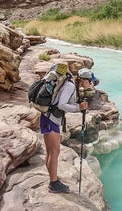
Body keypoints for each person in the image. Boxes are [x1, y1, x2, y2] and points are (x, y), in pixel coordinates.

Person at [41, 64, 88, 193]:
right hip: (51, 119)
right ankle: (53, 184)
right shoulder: (70, 85)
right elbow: (62, 105)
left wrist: (77, 105)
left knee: (51, 151)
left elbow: (64, 102)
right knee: (54, 152)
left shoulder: (70, 84)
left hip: (49, 118)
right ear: (84, 80)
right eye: (90, 82)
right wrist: (78, 108)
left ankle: (52, 177)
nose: (91, 85)